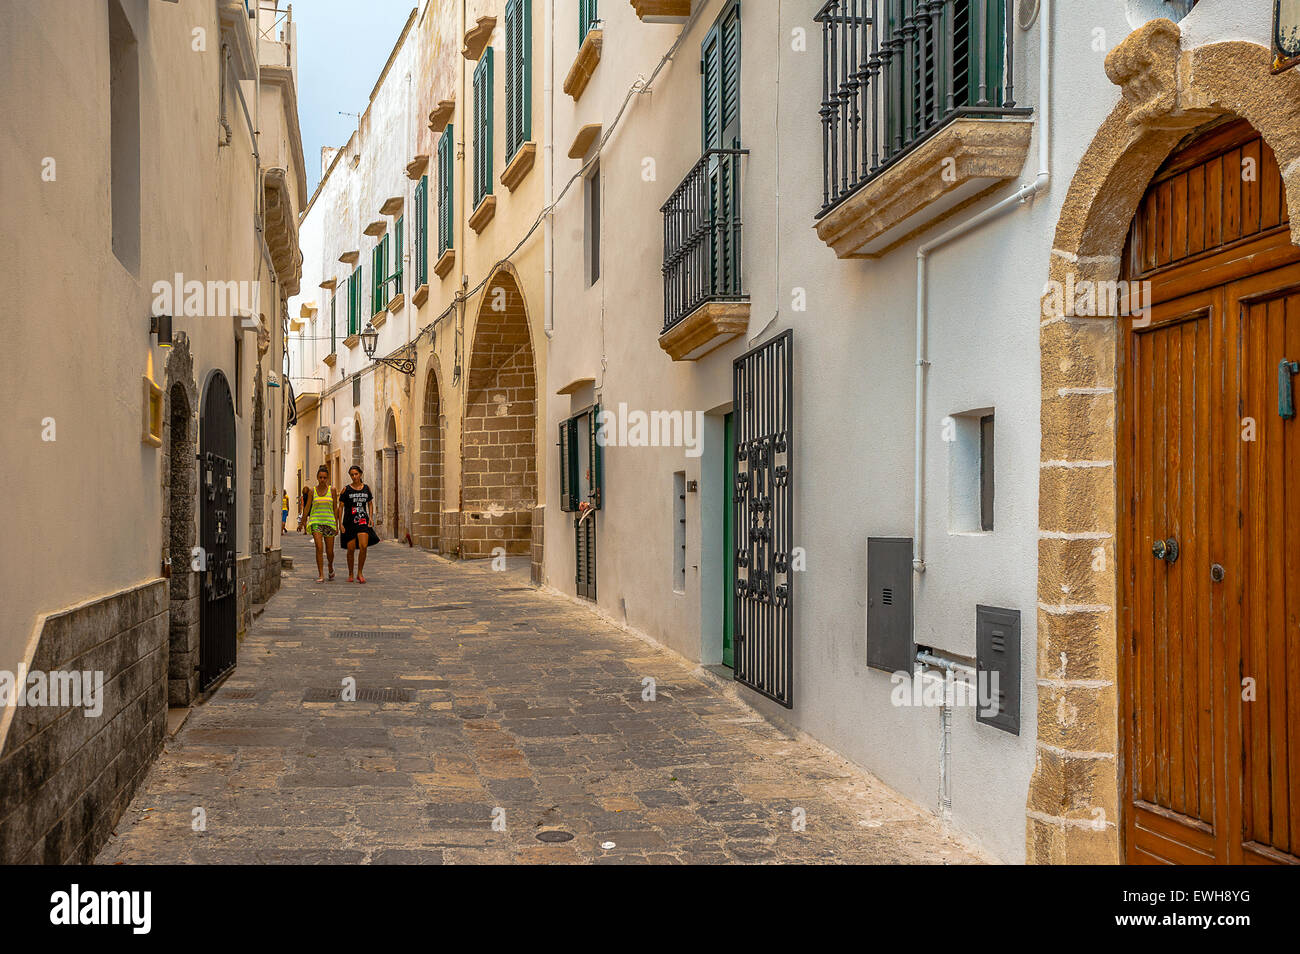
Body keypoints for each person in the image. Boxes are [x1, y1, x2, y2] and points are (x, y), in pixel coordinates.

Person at [338, 465, 380, 583]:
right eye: (352, 475)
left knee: (363, 546)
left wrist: (371, 517)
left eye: (356, 474)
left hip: (362, 521)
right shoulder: (346, 490)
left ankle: (360, 572)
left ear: (360, 474)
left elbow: (370, 503)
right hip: (349, 522)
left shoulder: (366, 488)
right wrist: (340, 523)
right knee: (350, 549)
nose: (354, 476)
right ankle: (351, 573)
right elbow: (340, 507)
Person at [305, 465, 338, 582]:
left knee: (330, 552)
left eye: (324, 477)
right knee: (319, 547)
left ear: (327, 478)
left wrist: (337, 524)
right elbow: (307, 507)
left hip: (329, 522)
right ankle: (321, 574)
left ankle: (330, 566)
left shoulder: (332, 490)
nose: (322, 480)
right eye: (320, 477)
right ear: (317, 478)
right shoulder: (312, 491)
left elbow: (335, 508)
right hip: (316, 521)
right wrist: (302, 522)